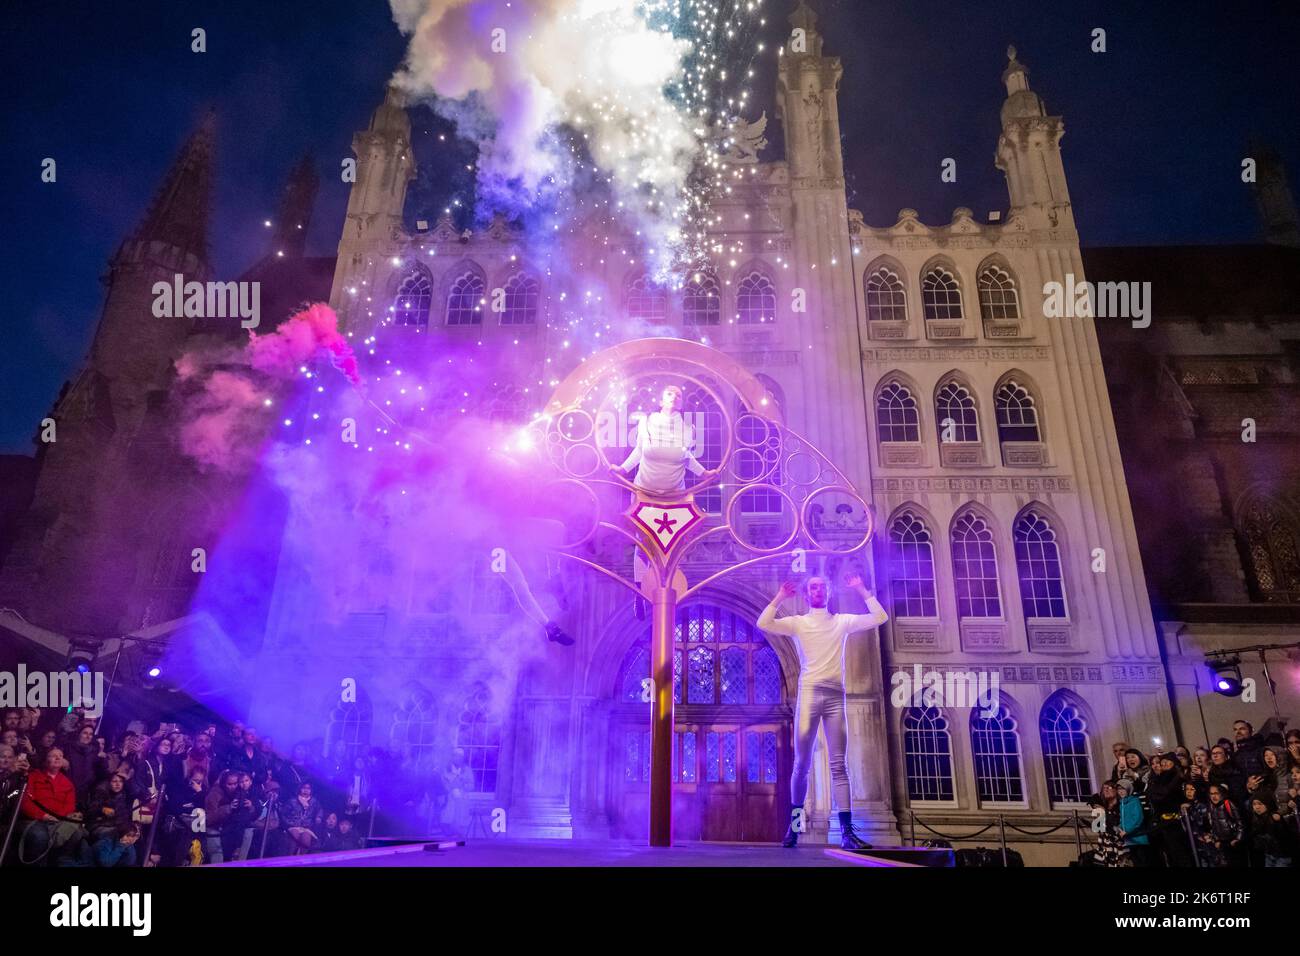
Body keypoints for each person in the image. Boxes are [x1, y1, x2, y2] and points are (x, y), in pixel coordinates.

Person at [757, 573, 888, 849]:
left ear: (828, 593)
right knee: (801, 766)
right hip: (810, 695)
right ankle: (794, 828)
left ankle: (847, 833)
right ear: (806, 595)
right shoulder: (799, 624)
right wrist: (780, 597)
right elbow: (763, 623)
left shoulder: (842, 622)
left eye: (822, 587)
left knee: (839, 765)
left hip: (834, 697)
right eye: (813, 587)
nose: (818, 590)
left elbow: (879, 617)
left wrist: (863, 589)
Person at [20, 747, 86, 864]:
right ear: (45, 760)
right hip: (35, 819)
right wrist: (43, 816)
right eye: (53, 755)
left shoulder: (67, 783)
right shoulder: (33, 776)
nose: (57, 758)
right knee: (40, 836)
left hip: (58, 820)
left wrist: (57, 817)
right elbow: (25, 802)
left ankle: (59, 862)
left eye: (60, 755)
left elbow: (70, 806)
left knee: (77, 833)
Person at [1249, 793, 1295, 867]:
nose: (1257, 807)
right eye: (1254, 804)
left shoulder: (1274, 817)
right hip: (1269, 854)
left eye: (1260, 804)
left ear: (1267, 804)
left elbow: (1283, 838)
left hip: (1281, 856)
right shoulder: (1257, 818)